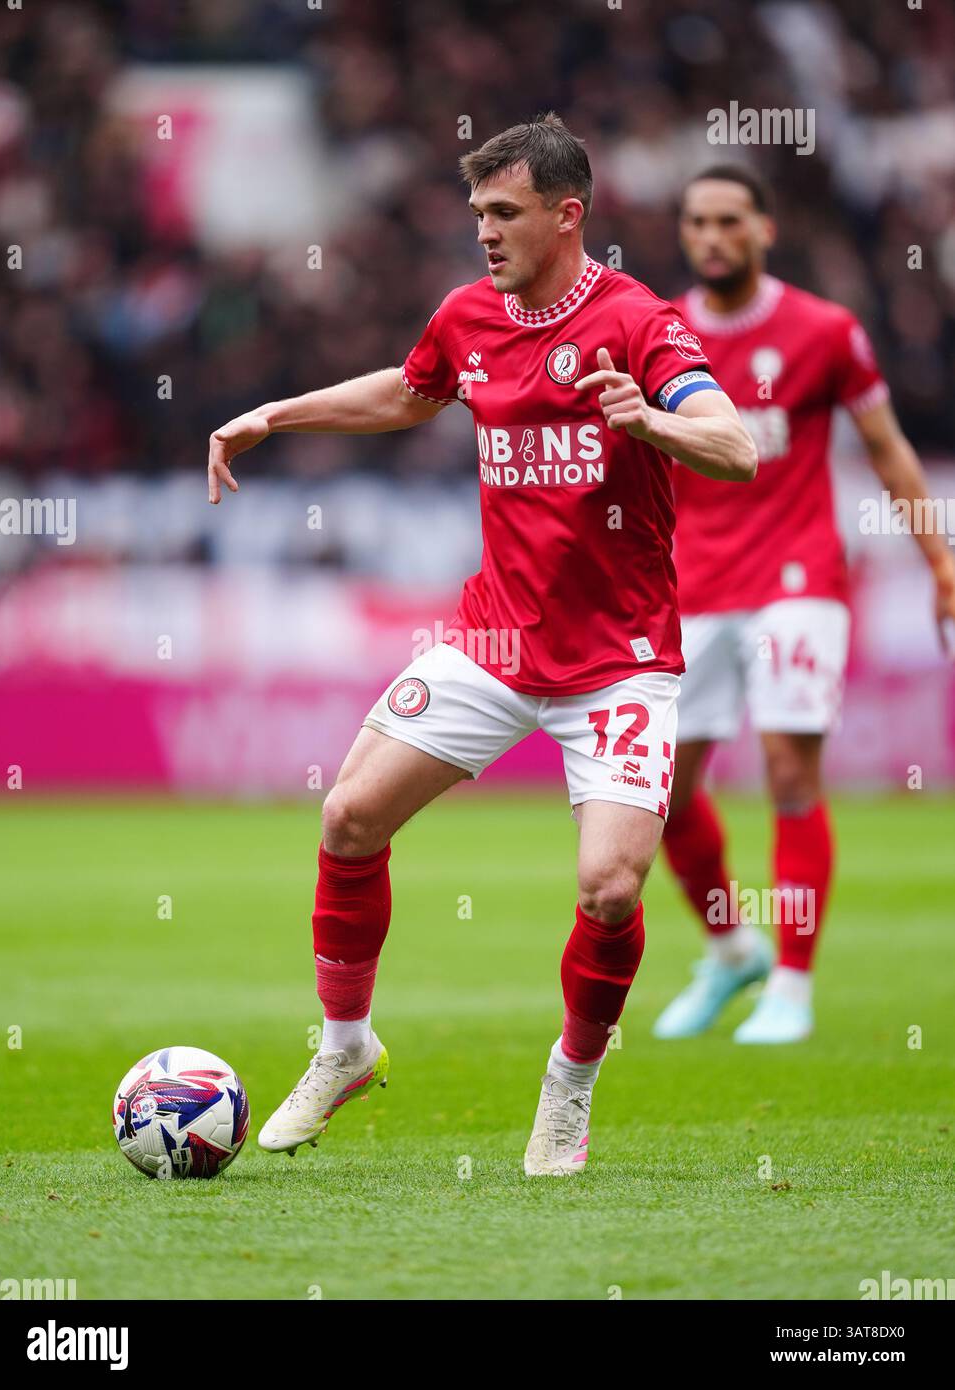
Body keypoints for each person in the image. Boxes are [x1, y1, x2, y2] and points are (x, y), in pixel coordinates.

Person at [207, 117, 756, 1176]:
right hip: (496, 640)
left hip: (620, 660)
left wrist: (653, 423)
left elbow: (733, 443)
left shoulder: (640, 323)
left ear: (568, 213)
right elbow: (411, 391)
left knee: (608, 888)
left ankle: (572, 1081)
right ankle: (344, 1047)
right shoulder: (469, 316)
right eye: (477, 214)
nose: (485, 233)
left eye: (504, 214)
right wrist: (274, 415)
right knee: (350, 815)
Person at [653, 165, 955, 1045]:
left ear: (765, 229)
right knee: (662, 790)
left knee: (789, 771)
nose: (712, 237)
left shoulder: (826, 332)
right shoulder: (661, 333)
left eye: (729, 221)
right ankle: (731, 947)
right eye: (697, 221)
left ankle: (792, 982)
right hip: (692, 586)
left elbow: (890, 451)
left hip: (798, 581)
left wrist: (939, 562)